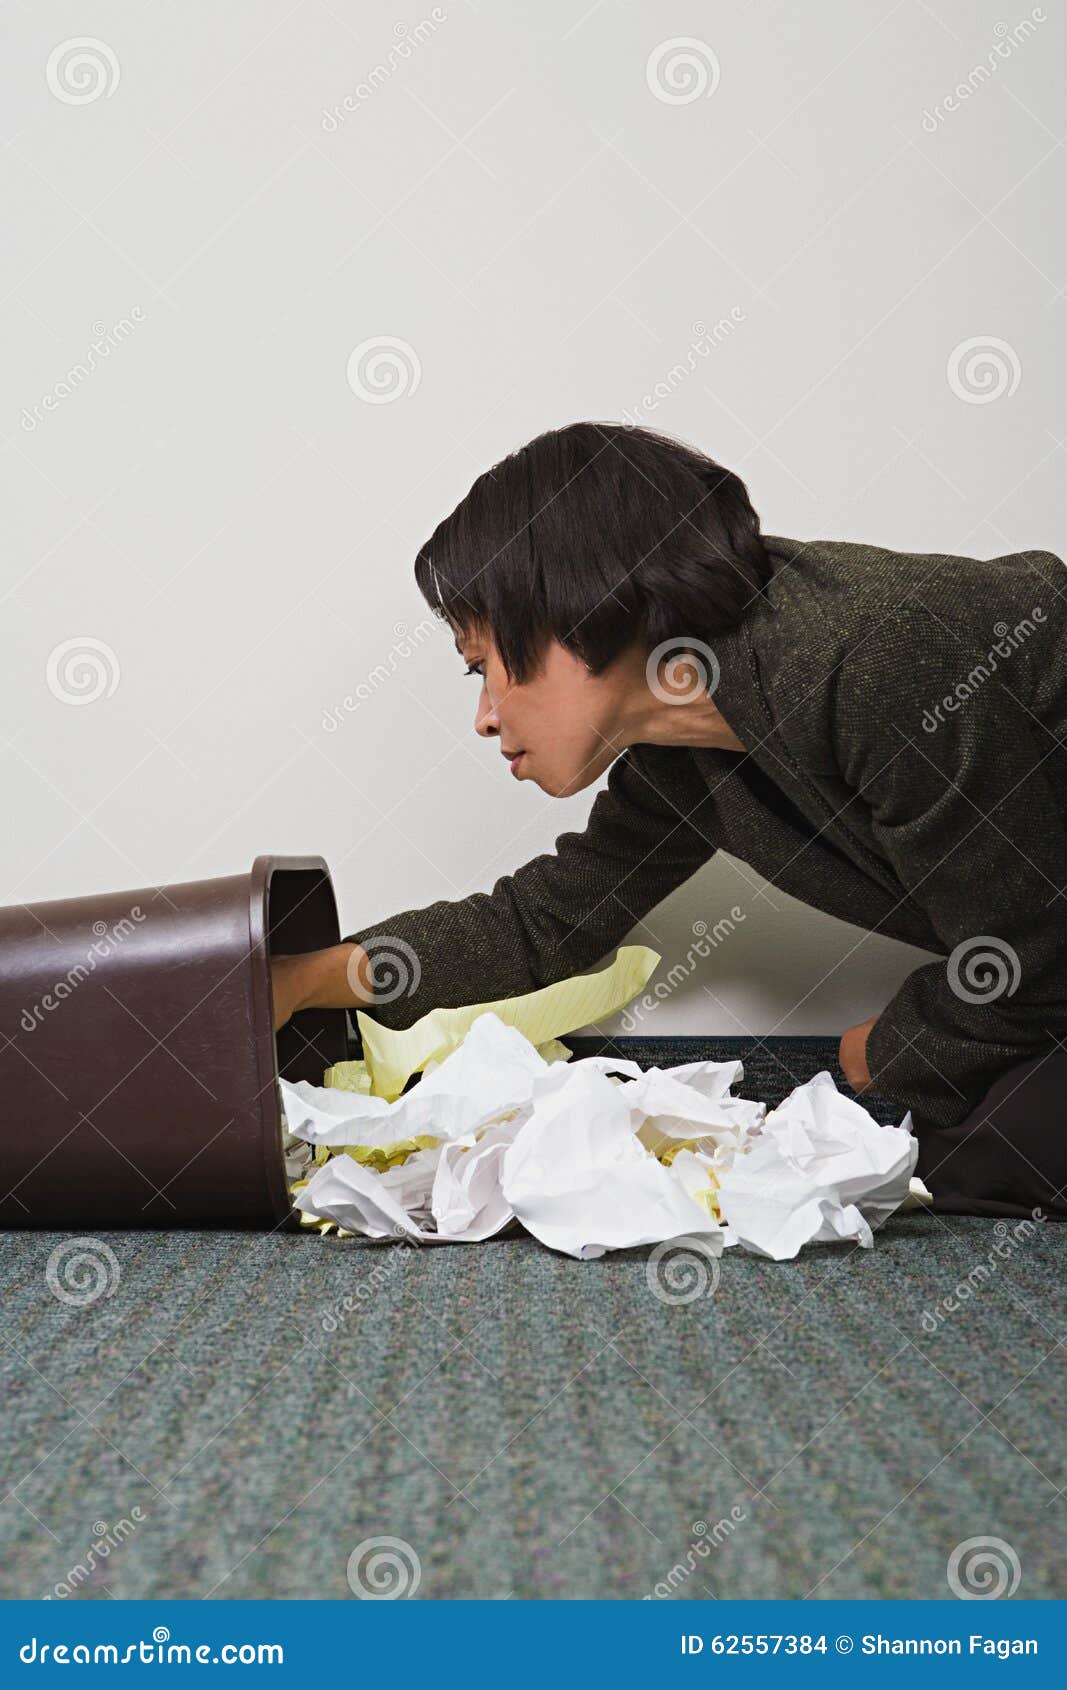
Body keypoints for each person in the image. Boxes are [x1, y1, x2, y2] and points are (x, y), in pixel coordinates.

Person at [272, 420, 1067, 1220]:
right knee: (960, 1139)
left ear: (575, 610)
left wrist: (887, 1053)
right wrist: (308, 980)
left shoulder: (876, 658)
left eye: (483, 666)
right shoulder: (682, 759)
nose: (482, 716)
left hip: (1044, 969)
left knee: (982, 1143)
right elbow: (539, 924)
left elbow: (1034, 961)